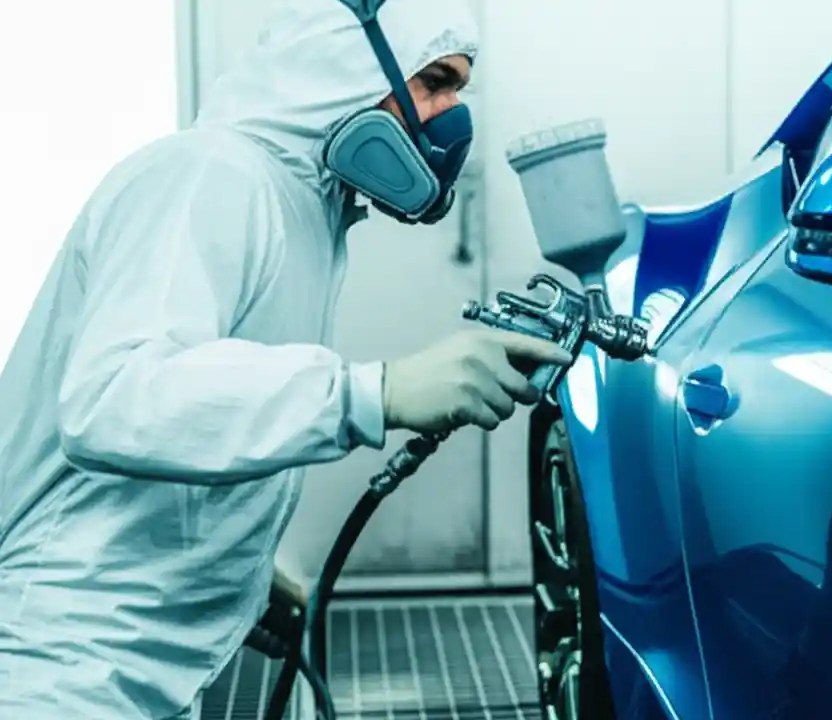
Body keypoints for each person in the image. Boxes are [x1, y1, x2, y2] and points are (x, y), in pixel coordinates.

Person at [0, 0, 570, 716]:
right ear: (347, 66)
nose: (451, 115)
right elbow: (116, 398)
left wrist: (248, 566)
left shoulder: (306, 210)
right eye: (432, 81)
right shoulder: (209, 175)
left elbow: (204, 399)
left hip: (141, 664)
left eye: (458, 89)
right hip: (61, 664)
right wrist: (376, 392)